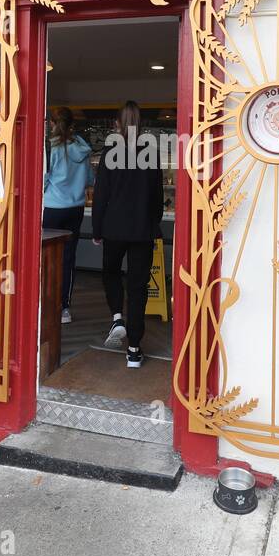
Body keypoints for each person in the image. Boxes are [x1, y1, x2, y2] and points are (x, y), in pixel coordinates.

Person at [92, 101, 163, 368]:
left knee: (110, 273)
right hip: (142, 229)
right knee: (138, 287)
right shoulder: (152, 151)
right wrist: (152, 222)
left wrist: (97, 229)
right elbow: (157, 197)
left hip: (114, 227)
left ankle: (117, 318)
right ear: (141, 124)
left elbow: (101, 195)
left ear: (118, 124)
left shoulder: (111, 150)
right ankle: (134, 349)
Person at [42, 107, 93, 323]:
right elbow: (90, 180)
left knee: (45, 256)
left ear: (53, 124)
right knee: (68, 257)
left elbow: (43, 179)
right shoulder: (82, 148)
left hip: (52, 207)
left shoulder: (50, 148)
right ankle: (64, 308)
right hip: (76, 208)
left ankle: (44, 302)